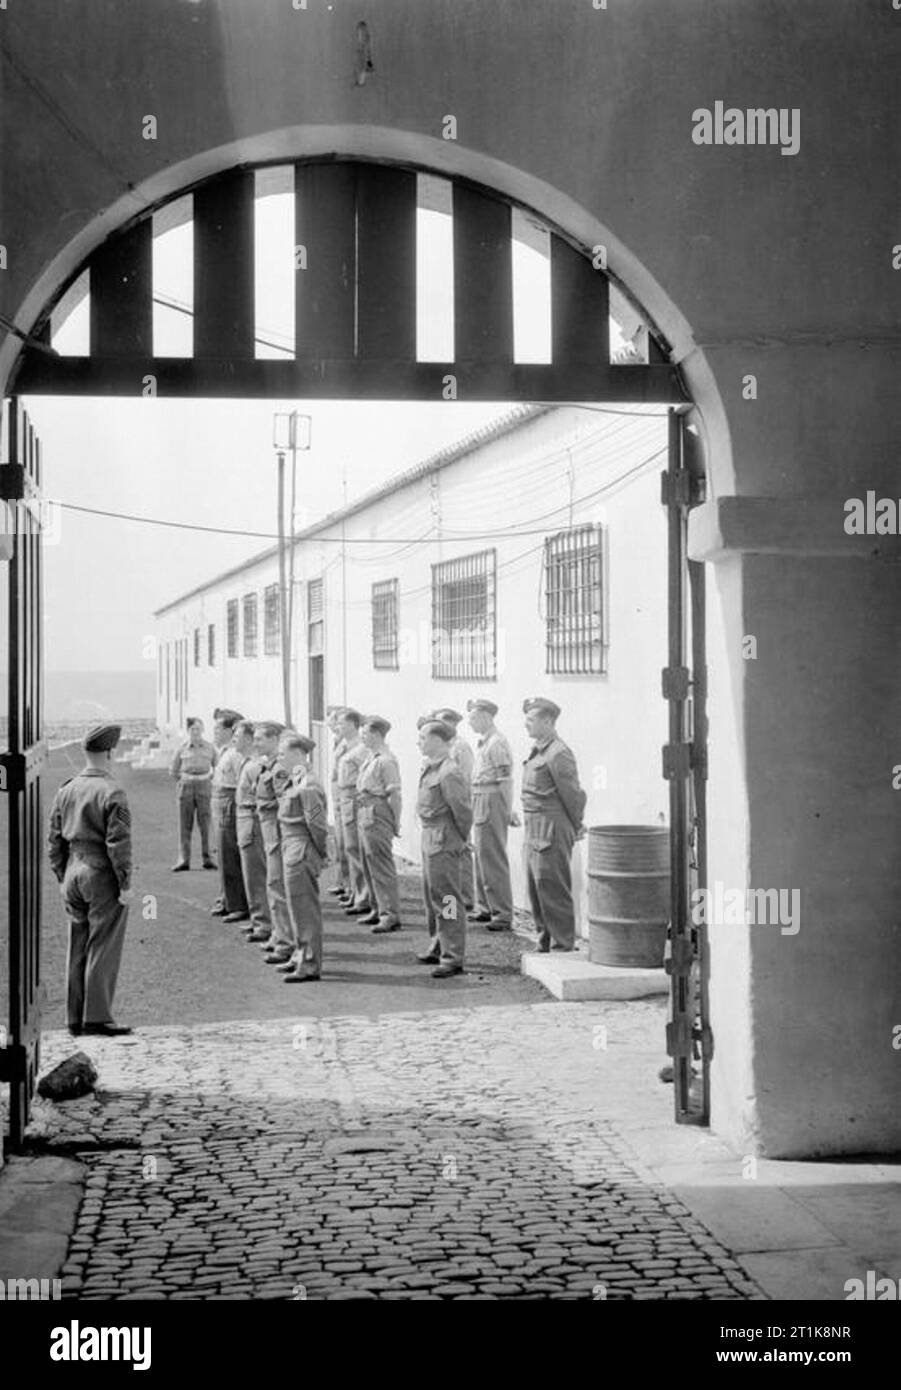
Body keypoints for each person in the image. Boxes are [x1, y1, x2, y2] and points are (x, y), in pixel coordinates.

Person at [47, 724, 134, 1037]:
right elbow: (119, 843)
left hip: (72, 867)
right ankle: (97, 1016)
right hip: (100, 871)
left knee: (78, 942)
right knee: (104, 943)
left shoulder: (67, 788)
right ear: (110, 753)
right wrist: (124, 883)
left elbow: (54, 839)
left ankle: (75, 1017)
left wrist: (61, 875)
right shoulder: (112, 791)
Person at [521, 697, 587, 952]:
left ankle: (562, 944)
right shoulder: (539, 750)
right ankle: (543, 940)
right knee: (536, 887)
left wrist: (576, 825)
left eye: (531, 720)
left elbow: (572, 794)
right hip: (534, 826)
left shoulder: (559, 752)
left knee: (553, 887)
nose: (526, 725)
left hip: (552, 827)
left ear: (548, 721)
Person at [415, 718, 473, 978]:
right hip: (430, 838)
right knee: (432, 898)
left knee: (448, 899)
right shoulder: (431, 768)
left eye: (424, 737)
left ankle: (452, 956)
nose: (419, 742)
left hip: (444, 840)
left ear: (439, 741)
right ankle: (439, 944)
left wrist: (458, 840)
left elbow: (462, 811)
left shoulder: (449, 771)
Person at [276, 732, 329, 983]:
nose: (279, 758)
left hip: (300, 848)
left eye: (283, 754)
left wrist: (321, 853)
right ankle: (300, 955)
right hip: (291, 846)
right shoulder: (296, 779)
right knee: (295, 907)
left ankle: (309, 963)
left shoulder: (308, 785)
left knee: (304, 909)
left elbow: (317, 824)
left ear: (298, 754)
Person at [466, 697, 515, 931]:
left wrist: (507, 810)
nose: (470, 721)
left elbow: (505, 780)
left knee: (492, 856)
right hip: (480, 797)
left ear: (487, 716)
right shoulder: (485, 742)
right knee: (481, 855)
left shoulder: (496, 743)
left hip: (491, 798)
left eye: (474, 717)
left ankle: (502, 913)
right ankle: (485, 907)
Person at [252, 721, 294, 966]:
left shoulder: (279, 769)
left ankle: (285, 943)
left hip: (277, 834)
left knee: (278, 887)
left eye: (260, 739)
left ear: (274, 739)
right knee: (273, 886)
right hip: (269, 834)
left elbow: (285, 804)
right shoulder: (269, 765)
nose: (255, 743)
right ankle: (279, 935)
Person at [356, 715, 402, 933]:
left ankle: (390, 913)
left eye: (365, 732)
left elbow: (395, 795)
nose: (362, 736)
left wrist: (395, 821)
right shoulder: (372, 757)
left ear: (376, 734)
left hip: (377, 809)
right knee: (369, 862)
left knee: (381, 864)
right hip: (366, 809)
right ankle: (378, 908)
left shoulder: (386, 760)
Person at [432, 706, 476, 911]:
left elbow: (464, 782)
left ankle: (462, 903)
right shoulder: (442, 751)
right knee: (443, 876)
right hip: (440, 817)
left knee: (454, 865)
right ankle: (449, 915)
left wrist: (463, 826)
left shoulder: (459, 749)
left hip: (451, 814)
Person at [234, 720, 272, 945]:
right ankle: (258, 917)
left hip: (252, 818)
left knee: (256, 873)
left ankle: (264, 923)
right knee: (250, 874)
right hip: (245, 817)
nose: (256, 743)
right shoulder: (250, 763)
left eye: (259, 739)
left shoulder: (257, 765)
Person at [210, 708, 250, 924]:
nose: (214, 732)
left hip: (229, 803)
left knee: (230, 855)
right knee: (223, 854)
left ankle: (238, 905)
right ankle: (227, 898)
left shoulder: (234, 755)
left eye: (217, 728)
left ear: (229, 730)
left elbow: (241, 785)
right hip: (220, 800)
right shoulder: (225, 751)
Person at [335, 708, 372, 915]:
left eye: (341, 723)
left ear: (352, 724)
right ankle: (354, 891)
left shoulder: (361, 749)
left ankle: (365, 897)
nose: (338, 726)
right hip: (342, 796)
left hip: (352, 798)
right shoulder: (344, 746)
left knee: (355, 848)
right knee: (346, 847)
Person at [170, 716, 217, 872]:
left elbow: (218, 767)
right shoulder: (182, 749)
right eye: (192, 729)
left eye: (198, 729)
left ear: (202, 730)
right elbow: (173, 770)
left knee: (205, 824)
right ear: (188, 731)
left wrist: (209, 779)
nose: (195, 732)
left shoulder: (210, 748)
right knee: (185, 825)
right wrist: (185, 780)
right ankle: (184, 860)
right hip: (186, 787)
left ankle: (208, 858)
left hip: (204, 786)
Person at [326, 706, 350, 901]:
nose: (330, 723)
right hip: (339, 797)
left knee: (446, 882)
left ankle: (451, 923)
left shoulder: (447, 771)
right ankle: (346, 885)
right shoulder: (339, 742)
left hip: (443, 831)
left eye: (334, 719)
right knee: (341, 844)